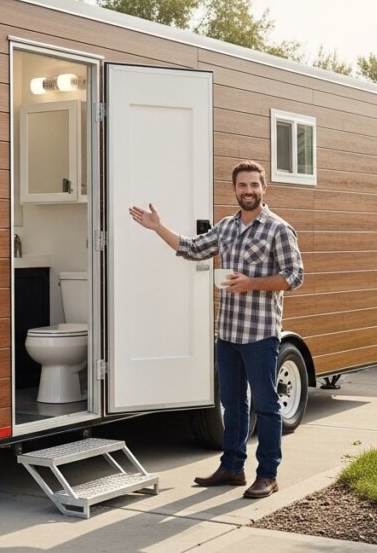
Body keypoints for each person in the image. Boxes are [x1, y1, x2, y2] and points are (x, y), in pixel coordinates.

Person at [128, 160, 303, 500]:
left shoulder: (279, 229)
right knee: (232, 404)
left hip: (260, 333)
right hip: (228, 334)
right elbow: (192, 249)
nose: (248, 191)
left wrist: (250, 283)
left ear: (264, 188)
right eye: (242, 185)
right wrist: (157, 227)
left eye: (254, 185)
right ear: (234, 189)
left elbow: (294, 277)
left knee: (266, 406)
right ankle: (232, 468)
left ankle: (267, 474)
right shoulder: (226, 227)